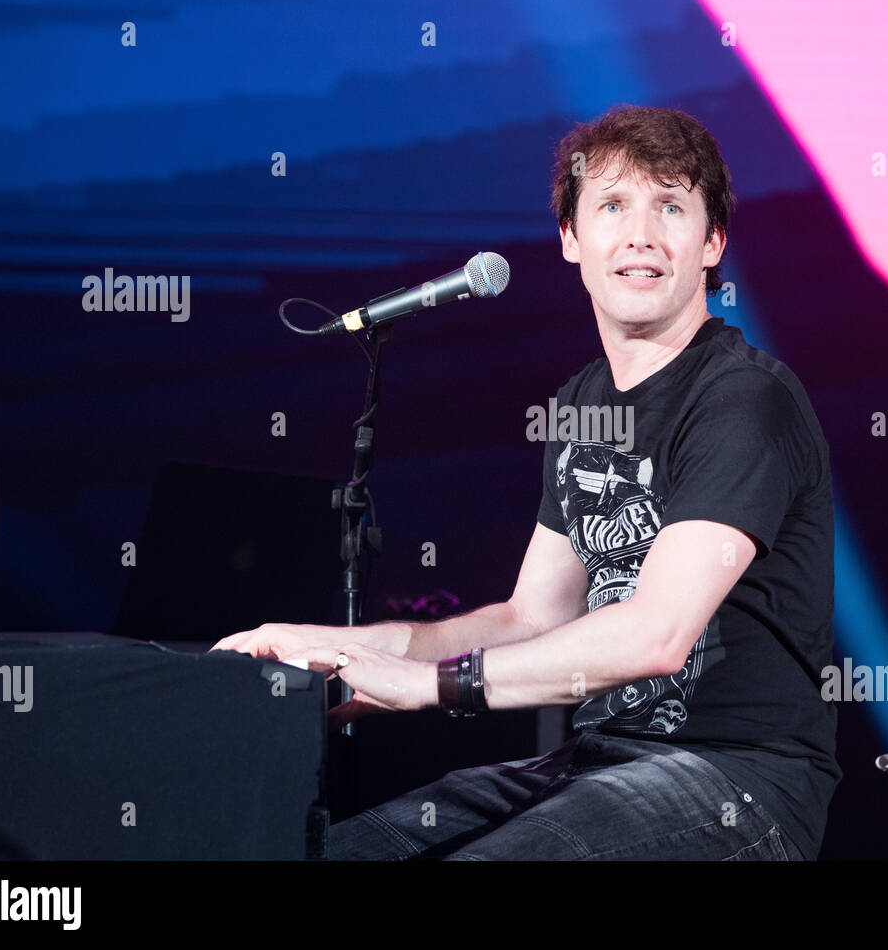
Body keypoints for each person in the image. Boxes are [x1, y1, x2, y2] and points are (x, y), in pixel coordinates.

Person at [212, 104, 840, 860]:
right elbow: (529, 619)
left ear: (712, 242)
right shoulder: (580, 402)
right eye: (612, 206)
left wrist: (433, 686)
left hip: (738, 781)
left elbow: (658, 634)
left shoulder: (744, 398)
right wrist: (336, 648)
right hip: (599, 762)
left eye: (670, 206)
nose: (640, 233)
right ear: (572, 239)